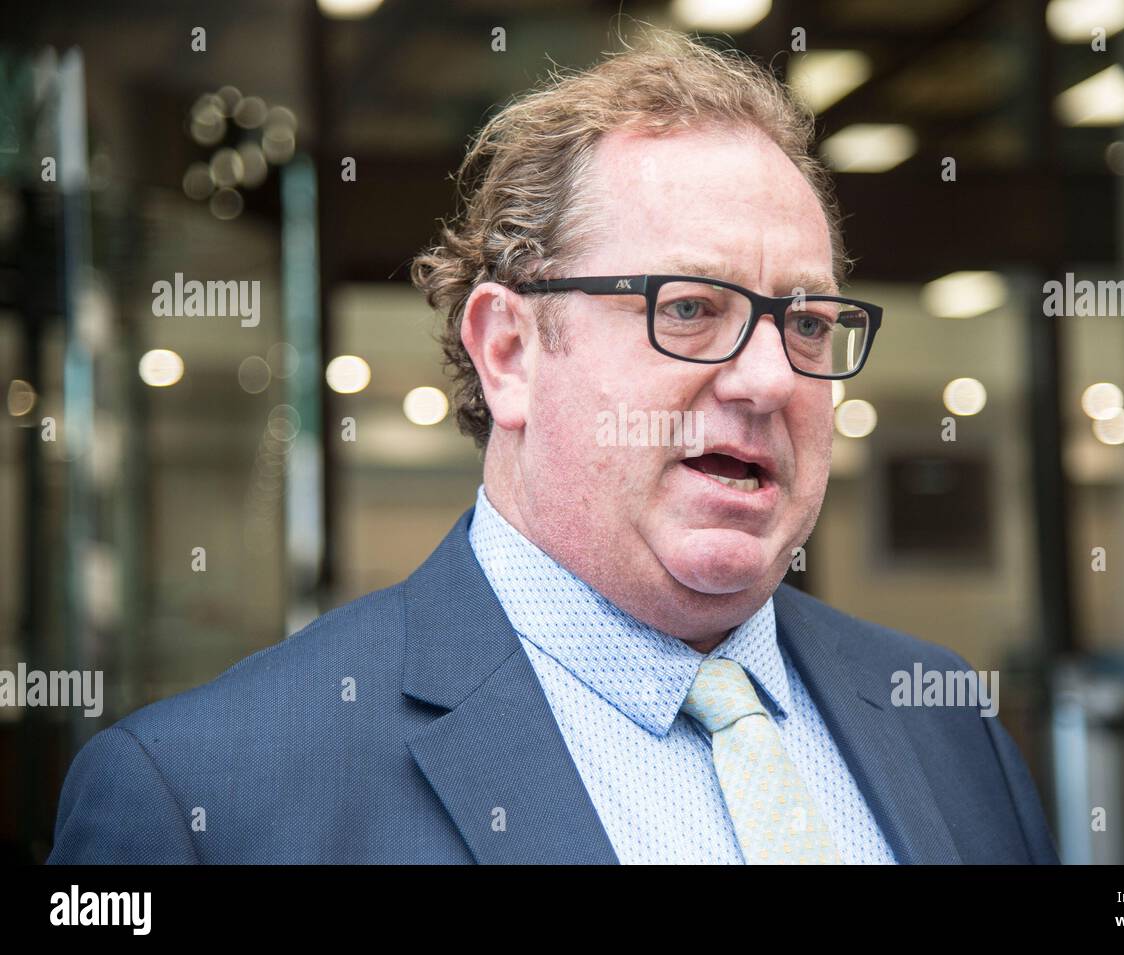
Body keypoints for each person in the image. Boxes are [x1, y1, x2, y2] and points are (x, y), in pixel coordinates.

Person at [48, 27, 1058, 864]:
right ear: (510, 350)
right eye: (690, 307)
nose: (767, 379)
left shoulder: (945, 724)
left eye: (804, 322)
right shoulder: (202, 798)